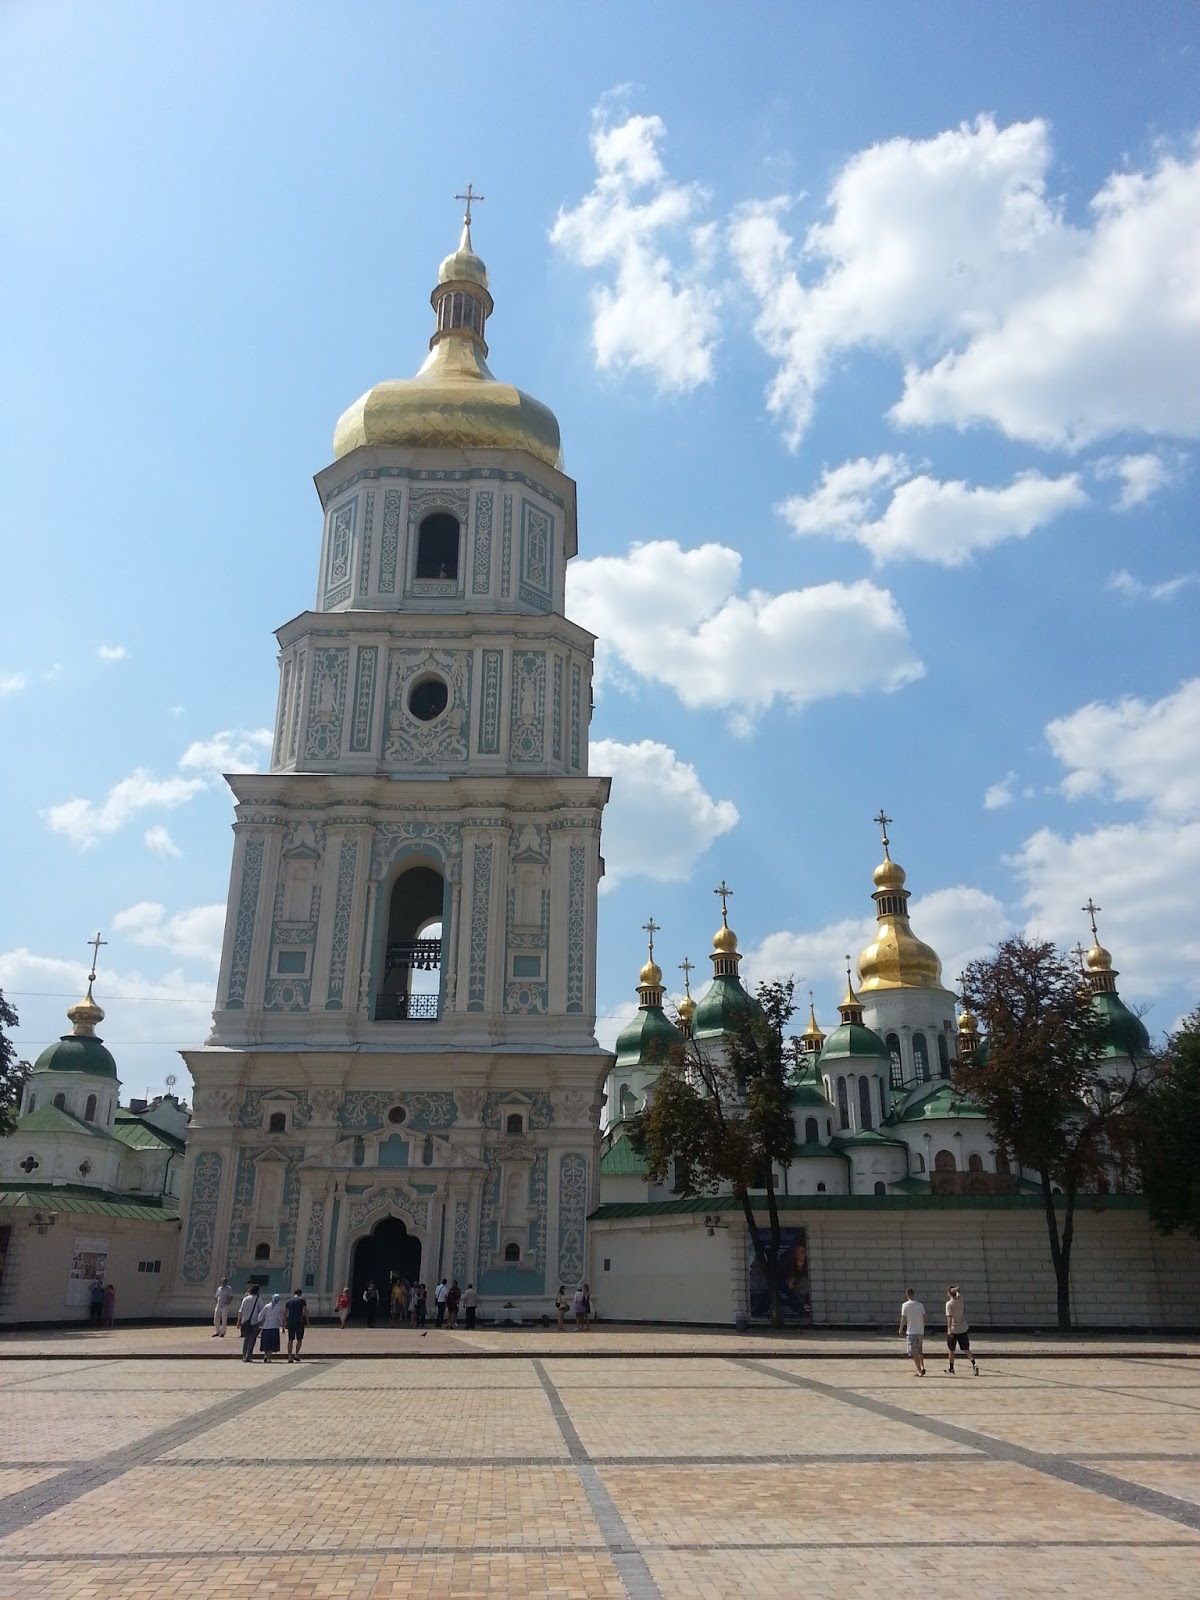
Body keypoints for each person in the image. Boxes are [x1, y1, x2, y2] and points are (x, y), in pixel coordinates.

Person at [944, 1284, 979, 1376]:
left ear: (949, 1294)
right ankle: (974, 1364)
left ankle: (951, 1368)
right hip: (963, 1327)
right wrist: (954, 1290)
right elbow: (959, 1290)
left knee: (951, 1350)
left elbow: (949, 1317)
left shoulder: (949, 1304)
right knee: (966, 1349)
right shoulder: (960, 1300)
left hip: (954, 1328)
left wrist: (948, 1329)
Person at [898, 1287, 927, 1376]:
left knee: (914, 1352)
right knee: (919, 1350)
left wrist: (901, 1328)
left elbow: (904, 1318)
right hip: (920, 1331)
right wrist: (922, 1326)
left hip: (911, 1331)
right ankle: (922, 1366)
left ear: (907, 1295)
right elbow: (924, 1317)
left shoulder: (905, 1305)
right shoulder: (920, 1305)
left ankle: (919, 1371)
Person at [237, 1283, 262, 1362]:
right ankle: (248, 1356)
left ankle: (244, 1355)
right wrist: (261, 1321)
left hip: (245, 1321)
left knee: (246, 1339)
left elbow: (241, 1311)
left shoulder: (246, 1299)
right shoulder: (258, 1299)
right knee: (252, 1339)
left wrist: (238, 1321)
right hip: (254, 1321)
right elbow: (261, 1311)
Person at [284, 1287, 308, 1363]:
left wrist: (284, 1322)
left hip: (290, 1321)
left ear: (294, 1294)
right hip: (299, 1321)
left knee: (290, 1339)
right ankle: (296, 1354)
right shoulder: (302, 1300)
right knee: (299, 1339)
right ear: (300, 1294)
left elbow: (285, 1312)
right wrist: (307, 1320)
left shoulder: (289, 1301)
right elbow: (305, 1310)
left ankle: (289, 1357)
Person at [259, 1293, 283, 1363]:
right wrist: (282, 1324)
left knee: (266, 1342)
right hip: (274, 1327)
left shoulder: (266, 1306)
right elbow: (280, 1318)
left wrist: (261, 1321)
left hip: (266, 1327)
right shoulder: (278, 1307)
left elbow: (260, 1316)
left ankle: (266, 1355)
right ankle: (268, 1357)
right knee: (272, 1343)